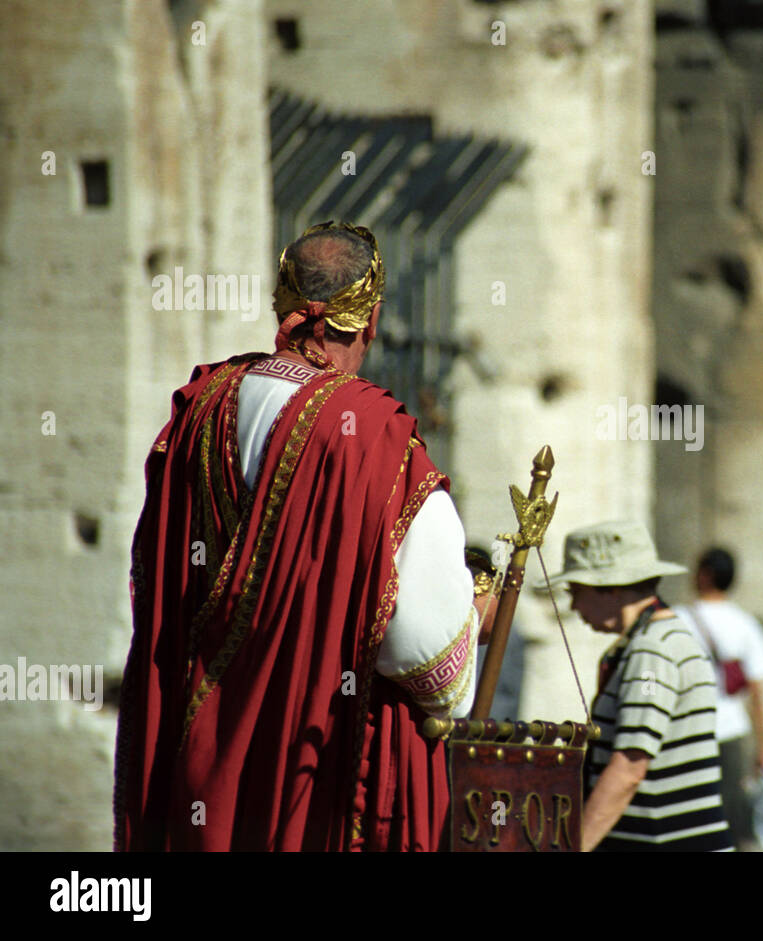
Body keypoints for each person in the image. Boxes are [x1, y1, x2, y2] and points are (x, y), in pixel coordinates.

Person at [114, 222, 494, 851]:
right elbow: (429, 659)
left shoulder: (200, 407)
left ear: (281, 301)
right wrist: (477, 610)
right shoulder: (374, 440)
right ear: (369, 319)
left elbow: (157, 575)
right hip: (316, 774)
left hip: (194, 758)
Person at [552, 521, 732, 852]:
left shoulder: (653, 648)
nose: (574, 607)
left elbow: (629, 767)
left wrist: (574, 846)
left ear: (613, 588)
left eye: (576, 591)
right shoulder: (655, 640)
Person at [674, 547, 763, 849]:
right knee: (730, 820)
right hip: (731, 732)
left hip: (685, 731)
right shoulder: (745, 624)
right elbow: (757, 695)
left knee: (687, 818)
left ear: (704, 575)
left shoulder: (678, 619)